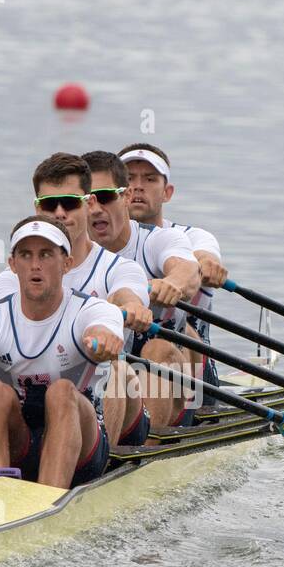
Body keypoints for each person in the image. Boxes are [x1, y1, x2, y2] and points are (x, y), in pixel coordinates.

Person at [0, 215, 124, 489]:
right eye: (26, 255)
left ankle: (47, 501)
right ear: (13, 264)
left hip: (83, 451)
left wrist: (103, 340)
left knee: (62, 391)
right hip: (21, 444)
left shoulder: (91, 310)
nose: (35, 265)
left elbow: (102, 328)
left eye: (46, 254)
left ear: (67, 263)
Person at [0, 153, 153, 447]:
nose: (59, 213)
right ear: (37, 208)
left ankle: (103, 465)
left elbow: (127, 295)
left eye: (70, 203)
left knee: (116, 368)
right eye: (50, 205)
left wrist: (130, 309)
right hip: (38, 398)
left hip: (104, 404)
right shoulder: (10, 279)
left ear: (89, 204)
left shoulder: (119, 269)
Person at [82, 149, 201, 428]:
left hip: (172, 381)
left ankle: (147, 445)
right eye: (87, 200)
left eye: (106, 197)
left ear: (124, 197)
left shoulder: (156, 241)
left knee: (156, 349)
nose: (96, 208)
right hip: (104, 377)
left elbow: (188, 270)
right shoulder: (64, 257)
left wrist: (172, 283)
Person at [120, 142, 226, 400]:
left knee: (162, 347)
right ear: (118, 192)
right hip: (122, 365)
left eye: (149, 179)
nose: (137, 186)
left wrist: (204, 267)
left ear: (167, 192)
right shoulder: (99, 245)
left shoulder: (192, 237)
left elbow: (203, 256)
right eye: (128, 179)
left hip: (191, 371)